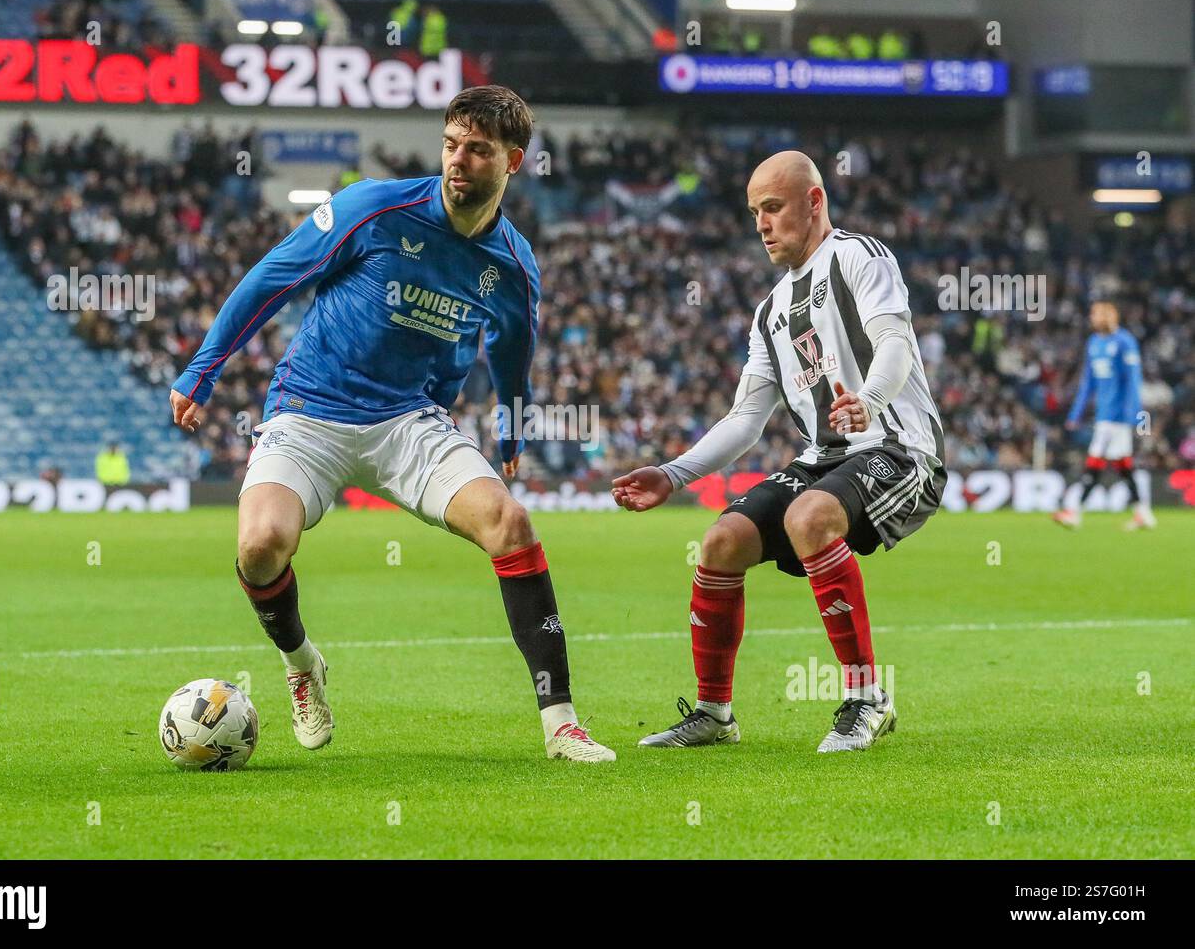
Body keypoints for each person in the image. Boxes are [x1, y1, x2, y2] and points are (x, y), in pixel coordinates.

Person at [169, 85, 615, 763]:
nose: (458, 161)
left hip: (410, 422)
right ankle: (302, 664)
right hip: (310, 410)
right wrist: (202, 371)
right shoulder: (373, 207)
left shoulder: (513, 264)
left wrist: (513, 428)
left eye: (478, 150)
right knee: (261, 546)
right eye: (451, 144)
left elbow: (515, 355)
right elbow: (270, 279)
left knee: (511, 524)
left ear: (513, 161)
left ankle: (561, 725)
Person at [612, 150, 946, 753]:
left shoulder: (859, 257)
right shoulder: (768, 313)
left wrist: (869, 398)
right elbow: (746, 419)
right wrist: (672, 473)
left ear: (814, 201)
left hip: (898, 447)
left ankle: (868, 698)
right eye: (754, 212)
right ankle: (715, 713)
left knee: (807, 517)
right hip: (829, 457)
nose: (761, 224)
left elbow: (893, 342)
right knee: (720, 542)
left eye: (773, 207)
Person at [1052, 300, 1154, 530]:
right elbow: (1088, 382)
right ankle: (1143, 512)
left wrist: (1134, 414)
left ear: (1110, 316)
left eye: (1097, 314)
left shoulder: (1125, 341)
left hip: (1117, 415)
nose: (1093, 318)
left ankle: (1074, 511)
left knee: (1095, 459)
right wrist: (1076, 413)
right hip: (1103, 413)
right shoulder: (1094, 343)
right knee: (1122, 464)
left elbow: (1133, 380)